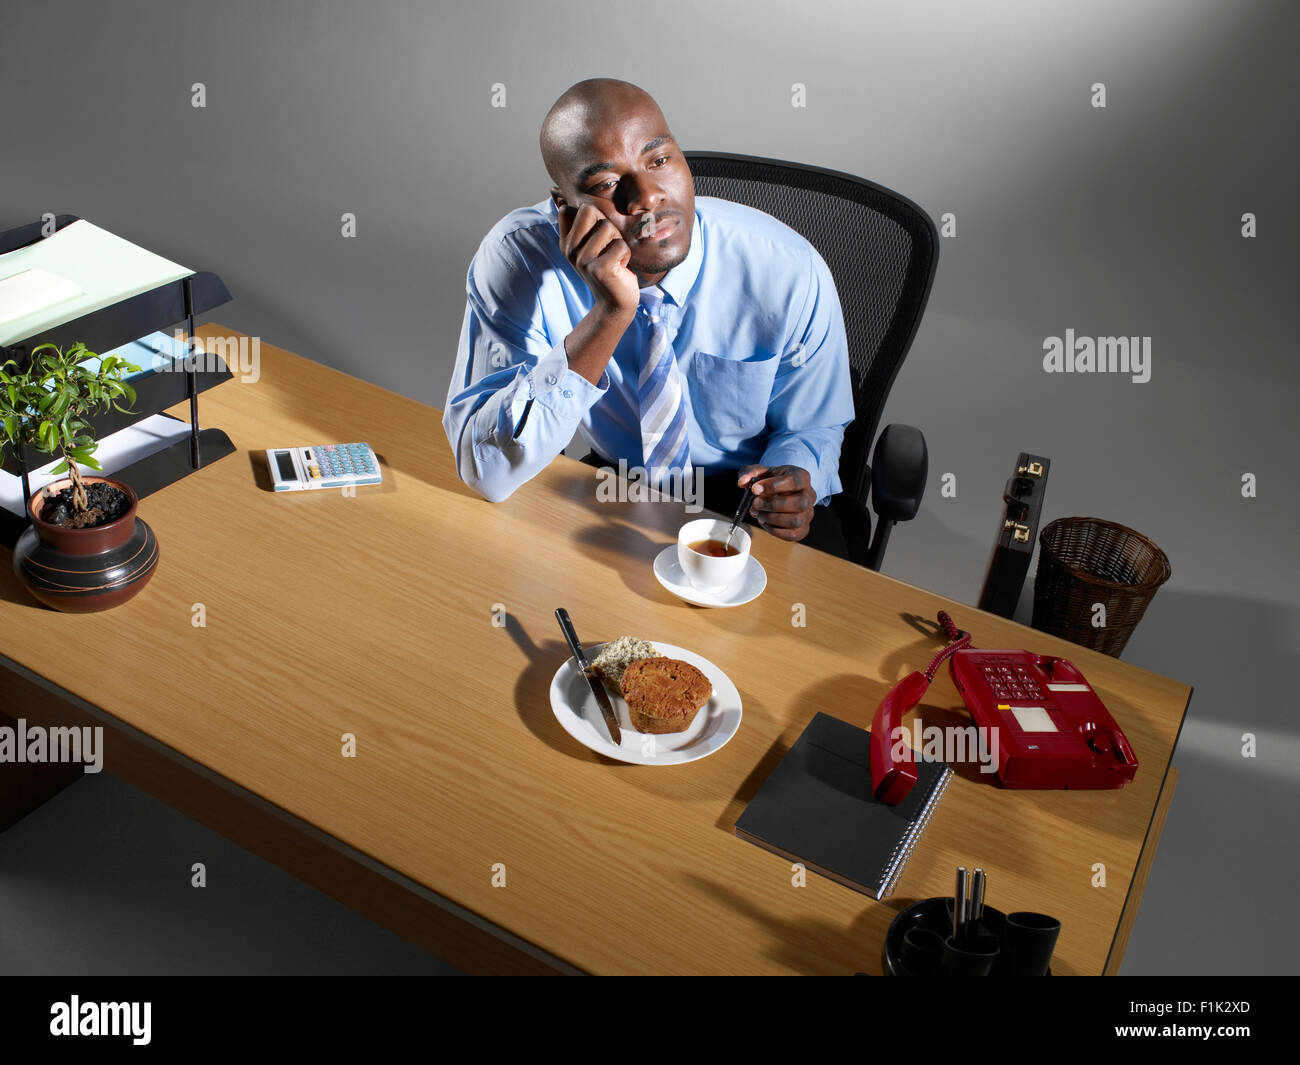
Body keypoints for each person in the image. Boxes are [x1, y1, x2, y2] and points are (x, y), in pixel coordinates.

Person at [442, 77, 855, 557]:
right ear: (565, 208)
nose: (647, 197)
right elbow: (486, 471)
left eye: (660, 161)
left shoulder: (785, 269)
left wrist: (795, 474)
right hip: (619, 483)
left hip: (746, 498)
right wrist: (610, 313)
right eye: (607, 184)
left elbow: (812, 426)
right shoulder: (520, 262)